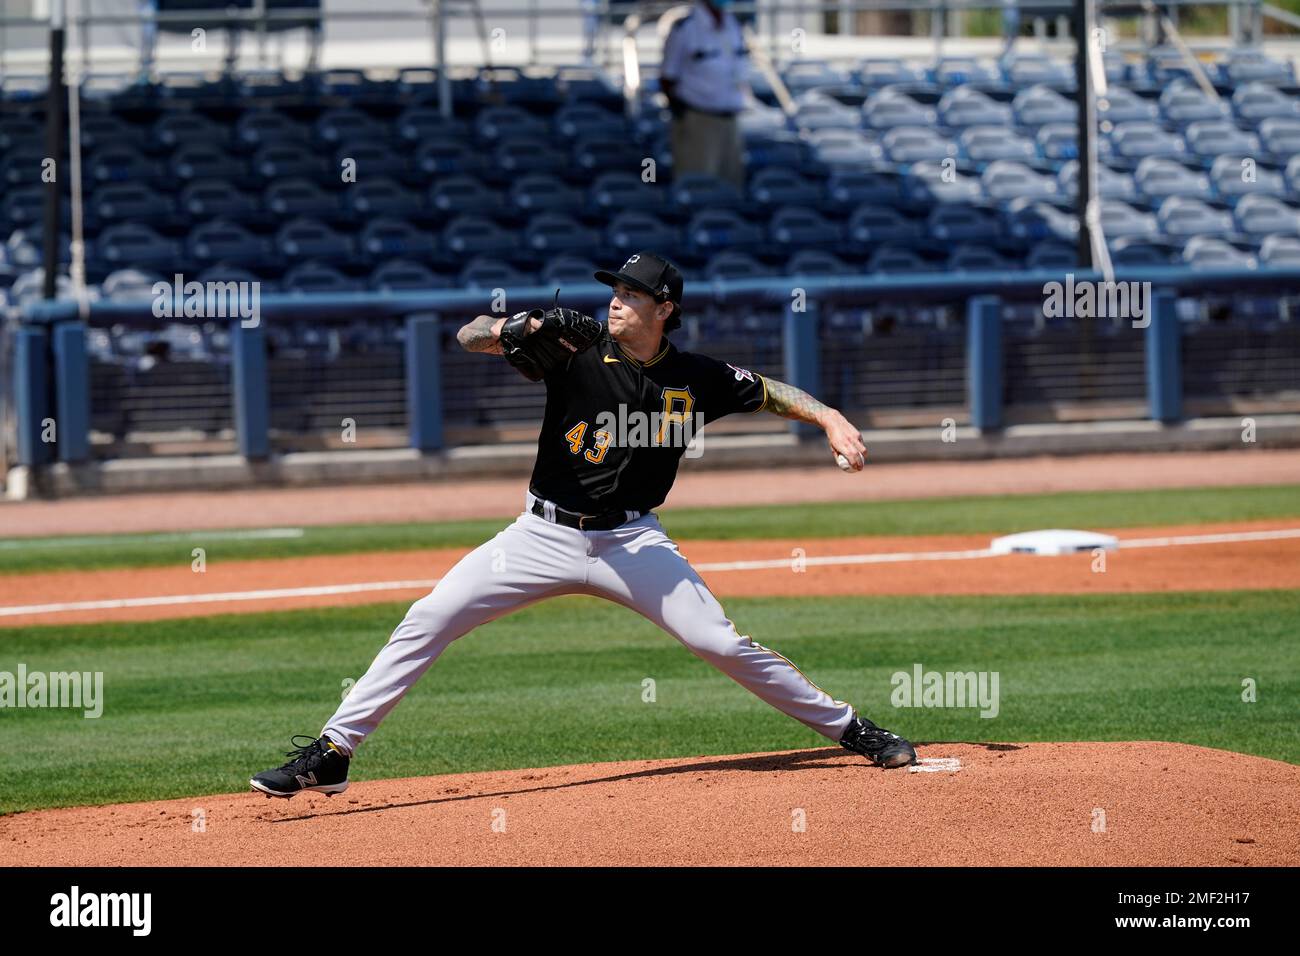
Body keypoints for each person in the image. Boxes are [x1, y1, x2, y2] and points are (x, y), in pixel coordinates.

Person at [249, 251, 917, 799]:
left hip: (633, 540)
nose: (617, 300)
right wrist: (511, 330)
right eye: (615, 290)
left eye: (633, 293)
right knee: (431, 615)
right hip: (540, 535)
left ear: (665, 310)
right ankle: (334, 751)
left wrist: (830, 419)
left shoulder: (698, 377)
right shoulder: (576, 346)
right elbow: (470, 336)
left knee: (720, 643)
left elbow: (770, 390)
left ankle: (853, 729)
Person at [659, 0, 750, 190]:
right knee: (699, 188)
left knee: (731, 189)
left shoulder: (732, 24)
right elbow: (668, 78)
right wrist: (684, 116)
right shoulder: (685, 29)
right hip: (698, 121)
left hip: (731, 120)